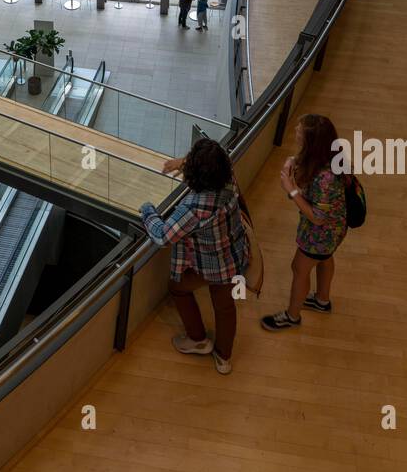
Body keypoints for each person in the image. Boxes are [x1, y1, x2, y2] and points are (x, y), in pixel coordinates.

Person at [140, 138, 249, 375]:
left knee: (177, 287)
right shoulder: (228, 179)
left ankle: (198, 339)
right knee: (225, 307)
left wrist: (148, 210)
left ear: (194, 175)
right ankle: (224, 358)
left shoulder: (193, 208)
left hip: (210, 267)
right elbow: (217, 162)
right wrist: (185, 162)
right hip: (235, 255)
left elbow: (163, 236)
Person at [261, 113, 348, 332]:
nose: (295, 133)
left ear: (311, 142)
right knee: (325, 259)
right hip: (336, 230)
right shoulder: (331, 157)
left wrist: (291, 190)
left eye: (299, 132)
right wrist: (293, 160)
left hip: (320, 234)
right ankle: (322, 300)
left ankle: (292, 316)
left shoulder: (325, 178)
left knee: (299, 268)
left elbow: (317, 216)